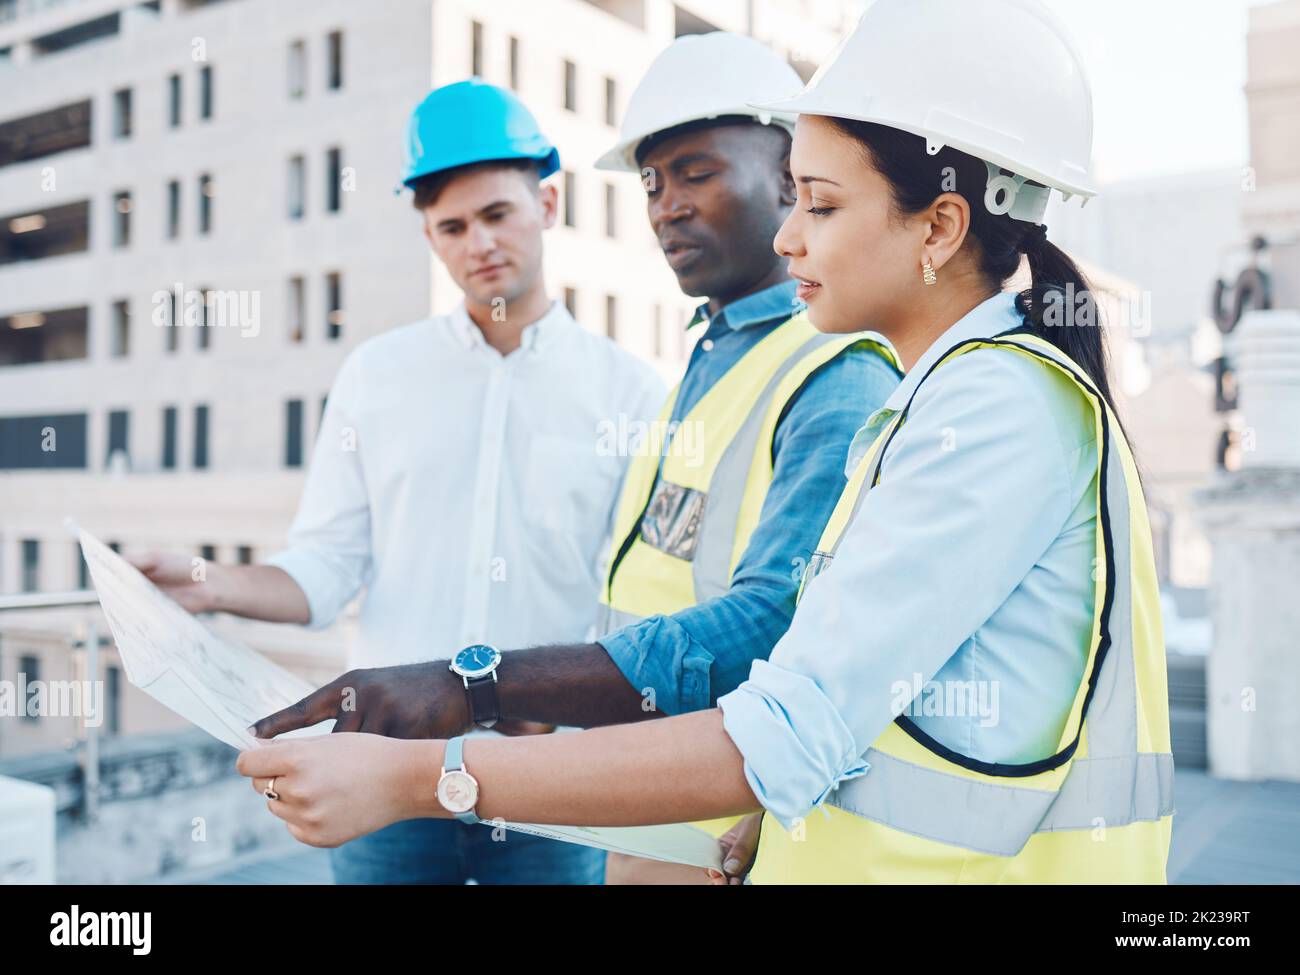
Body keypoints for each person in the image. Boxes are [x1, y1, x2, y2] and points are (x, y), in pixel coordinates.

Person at [238, 0, 1174, 884]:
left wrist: (429, 762)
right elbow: (866, 687)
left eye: (818, 202)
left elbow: (781, 712)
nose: (793, 236)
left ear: (939, 225)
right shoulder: (940, 396)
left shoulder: (989, 411)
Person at [248, 32, 902, 885]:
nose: (666, 206)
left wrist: (488, 686)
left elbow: (777, 628)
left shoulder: (826, 370)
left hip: (667, 813)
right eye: (652, 182)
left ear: (790, 174)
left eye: (697, 173)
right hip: (637, 807)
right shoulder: (704, 368)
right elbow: (642, 592)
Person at [136, 79, 665, 884]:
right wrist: (207, 583)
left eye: (497, 214)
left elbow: (640, 601)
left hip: (552, 785)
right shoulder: (377, 376)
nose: (477, 243)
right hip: (384, 777)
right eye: (451, 226)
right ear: (428, 234)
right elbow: (323, 570)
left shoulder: (630, 393)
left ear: (548, 204)